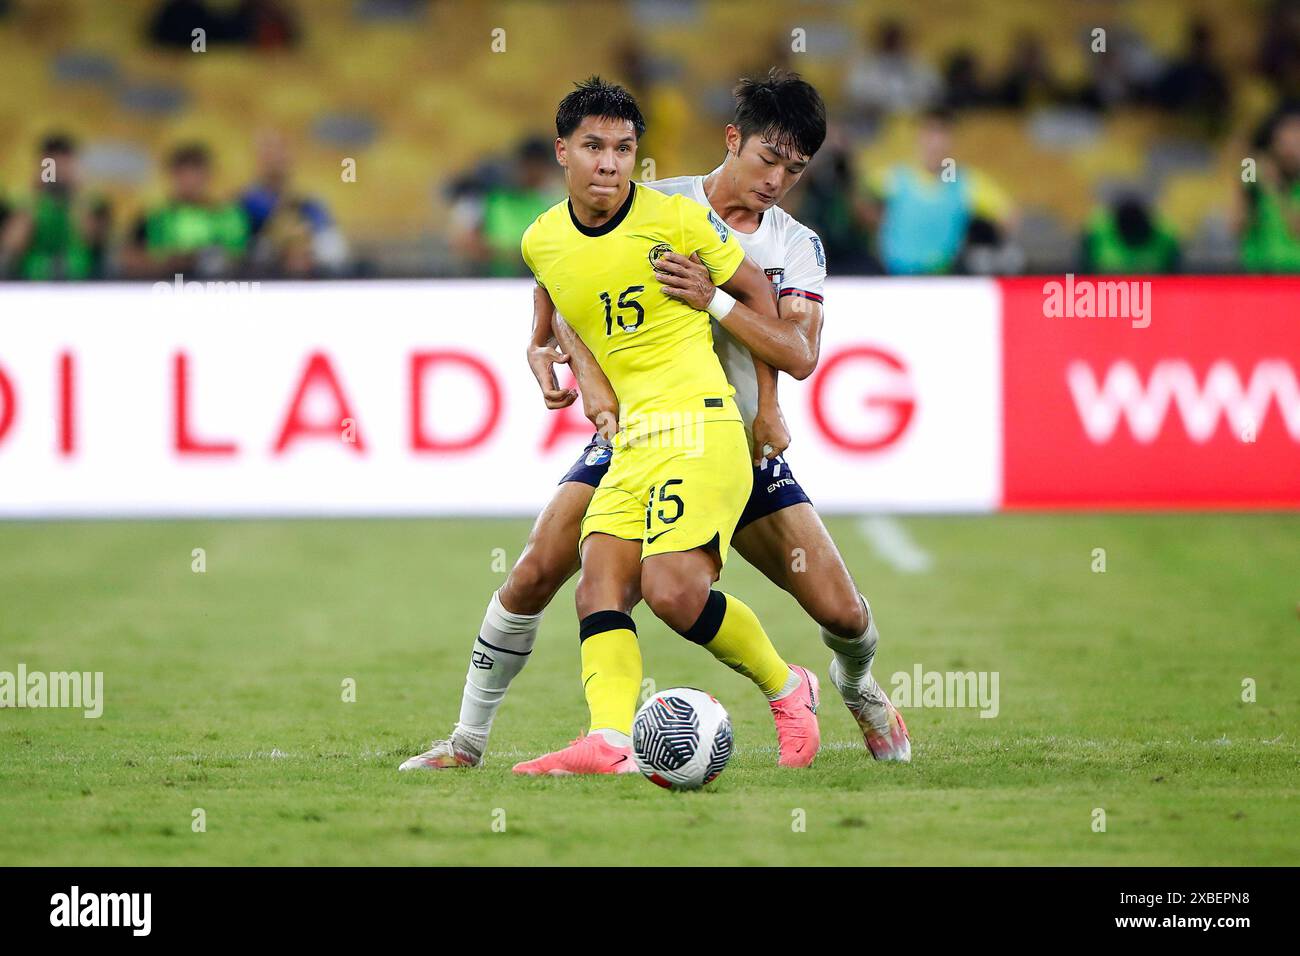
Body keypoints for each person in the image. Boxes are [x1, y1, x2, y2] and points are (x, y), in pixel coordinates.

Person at [400, 71, 909, 776]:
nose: (777, 180)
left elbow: (797, 352)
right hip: (637, 431)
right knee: (540, 571)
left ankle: (851, 682)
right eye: (768, 159)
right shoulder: (657, 200)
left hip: (730, 438)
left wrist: (755, 382)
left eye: (795, 170)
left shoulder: (796, 246)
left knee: (841, 614)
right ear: (733, 141)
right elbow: (564, 275)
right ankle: (469, 742)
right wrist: (558, 354)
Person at [864, 107, 1014, 275]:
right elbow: (862, 204)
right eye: (930, 134)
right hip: (896, 277)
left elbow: (1007, 215)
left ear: (950, 140)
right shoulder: (894, 179)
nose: (935, 143)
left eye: (941, 135)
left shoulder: (965, 183)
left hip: (944, 279)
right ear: (919, 137)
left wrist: (982, 241)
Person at [122, 143, 249, 279]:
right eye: (184, 173)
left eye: (196, 173)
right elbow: (129, 257)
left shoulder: (228, 216)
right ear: (172, 175)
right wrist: (176, 263)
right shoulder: (156, 216)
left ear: (208, 176)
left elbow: (244, 258)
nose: (191, 180)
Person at [0, 133, 110, 280]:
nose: (57, 172)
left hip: (81, 279)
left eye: (64, 164)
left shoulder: (94, 203)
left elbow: (91, 241)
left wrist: (77, 195)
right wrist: (35, 197)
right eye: (50, 165)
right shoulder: (21, 203)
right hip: (32, 278)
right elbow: (11, 247)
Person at [1237, 103, 1300, 273]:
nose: (1291, 148)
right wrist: (1251, 170)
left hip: (1295, 275)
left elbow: (1296, 228)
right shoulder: (1252, 169)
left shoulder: (1280, 185)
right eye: (1285, 139)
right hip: (1259, 274)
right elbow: (1238, 223)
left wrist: (1277, 189)